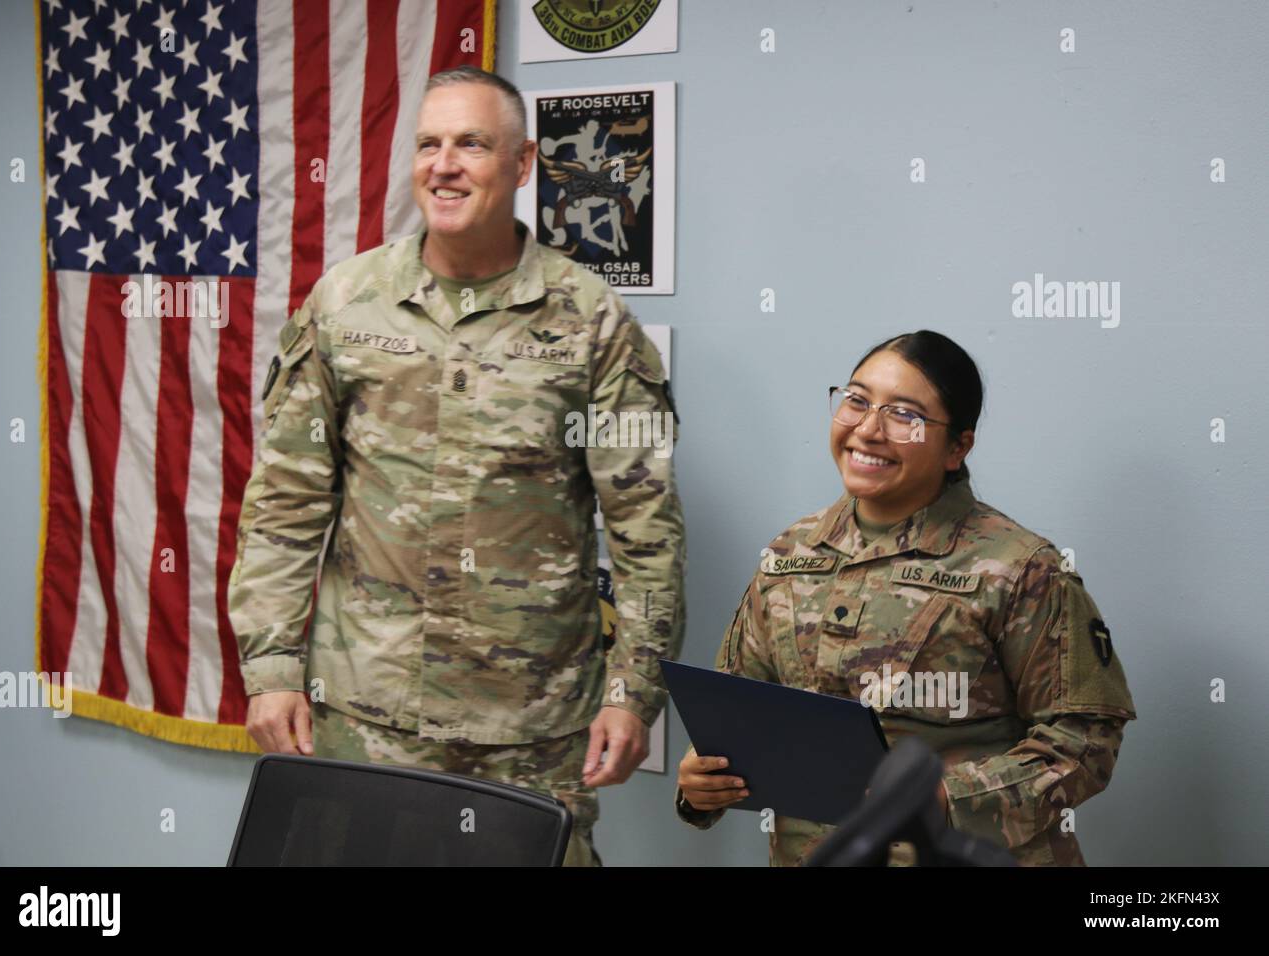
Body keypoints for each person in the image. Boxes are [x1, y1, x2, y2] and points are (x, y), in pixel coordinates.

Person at [228, 66, 685, 867]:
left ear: (523, 163)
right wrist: (270, 667)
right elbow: (284, 503)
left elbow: (645, 529)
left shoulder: (592, 320)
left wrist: (632, 690)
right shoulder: (346, 304)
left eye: (471, 144)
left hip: (530, 721)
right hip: (364, 708)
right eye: (429, 144)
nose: (444, 165)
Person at [675, 330, 1135, 866]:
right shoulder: (789, 552)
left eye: (904, 415)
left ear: (957, 447)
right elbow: (736, 708)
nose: (868, 430)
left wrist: (946, 800)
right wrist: (700, 782)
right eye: (856, 400)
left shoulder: (1020, 567)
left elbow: (1084, 741)